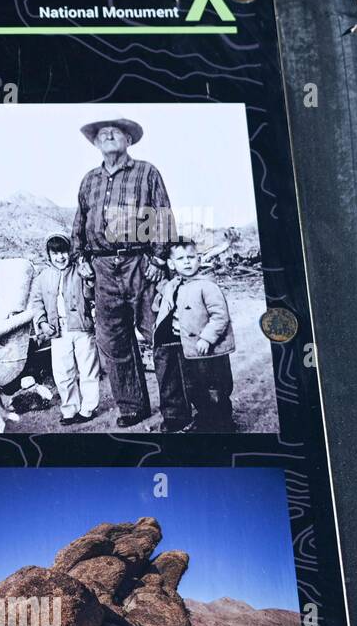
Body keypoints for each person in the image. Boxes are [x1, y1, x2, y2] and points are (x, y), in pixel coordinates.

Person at [70, 117, 176, 427]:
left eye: (116, 132)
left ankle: (174, 410)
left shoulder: (146, 172)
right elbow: (80, 222)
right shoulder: (89, 180)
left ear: (128, 140)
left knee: (160, 335)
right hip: (102, 268)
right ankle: (132, 407)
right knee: (114, 342)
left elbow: (163, 215)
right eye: (102, 134)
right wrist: (80, 257)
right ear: (95, 143)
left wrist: (157, 260)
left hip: (140, 263)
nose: (109, 136)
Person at [153, 238, 236, 432]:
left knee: (215, 386)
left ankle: (223, 423)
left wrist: (207, 337)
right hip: (186, 346)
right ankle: (204, 418)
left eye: (191, 257)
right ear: (171, 264)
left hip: (208, 348)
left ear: (199, 259)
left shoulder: (206, 286)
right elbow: (166, 308)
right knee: (193, 386)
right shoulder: (172, 285)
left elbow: (220, 316)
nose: (188, 262)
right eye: (181, 259)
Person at [28, 233, 102, 425]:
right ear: (49, 255)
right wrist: (43, 322)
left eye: (64, 252)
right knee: (63, 373)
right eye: (55, 253)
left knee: (88, 370)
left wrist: (90, 280)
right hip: (57, 330)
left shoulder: (80, 270)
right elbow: (36, 303)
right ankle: (70, 409)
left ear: (70, 252)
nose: (60, 257)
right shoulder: (43, 277)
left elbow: (92, 295)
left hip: (82, 327)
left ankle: (87, 409)